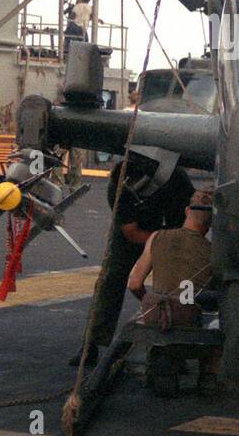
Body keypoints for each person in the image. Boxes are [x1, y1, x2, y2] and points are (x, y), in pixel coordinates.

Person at [70, 150, 194, 368]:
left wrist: (170, 244)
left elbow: (191, 223)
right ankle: (91, 344)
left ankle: (177, 345)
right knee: (110, 279)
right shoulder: (118, 188)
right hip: (133, 233)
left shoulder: (177, 180)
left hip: (172, 230)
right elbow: (131, 232)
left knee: (179, 283)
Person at [126, 189, 220, 394]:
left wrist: (152, 302)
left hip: (158, 321)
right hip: (193, 325)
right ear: (212, 221)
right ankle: (208, 375)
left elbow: (134, 284)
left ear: (187, 211)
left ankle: (165, 361)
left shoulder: (157, 237)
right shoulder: (214, 252)